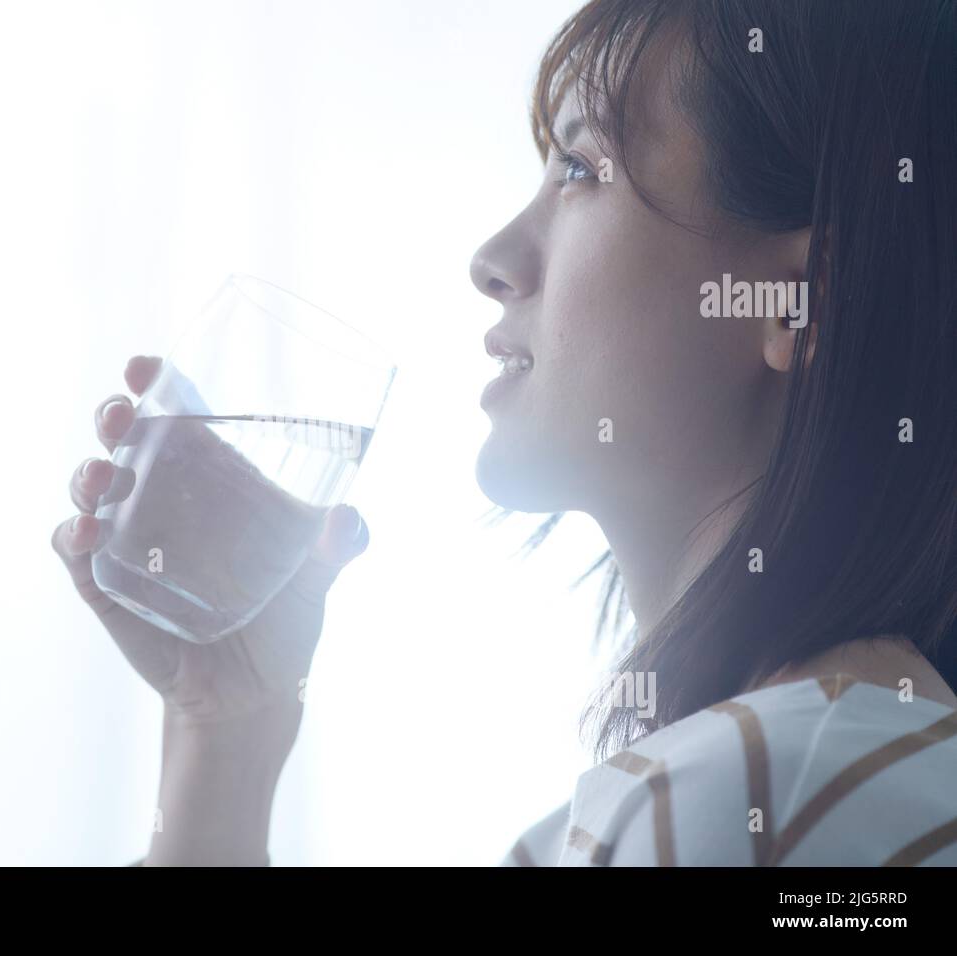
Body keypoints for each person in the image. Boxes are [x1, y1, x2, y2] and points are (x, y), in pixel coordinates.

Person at [52, 0, 957, 866]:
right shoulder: (804, 774)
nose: (490, 260)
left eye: (580, 169)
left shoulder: (748, 798)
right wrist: (227, 737)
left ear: (796, 306)